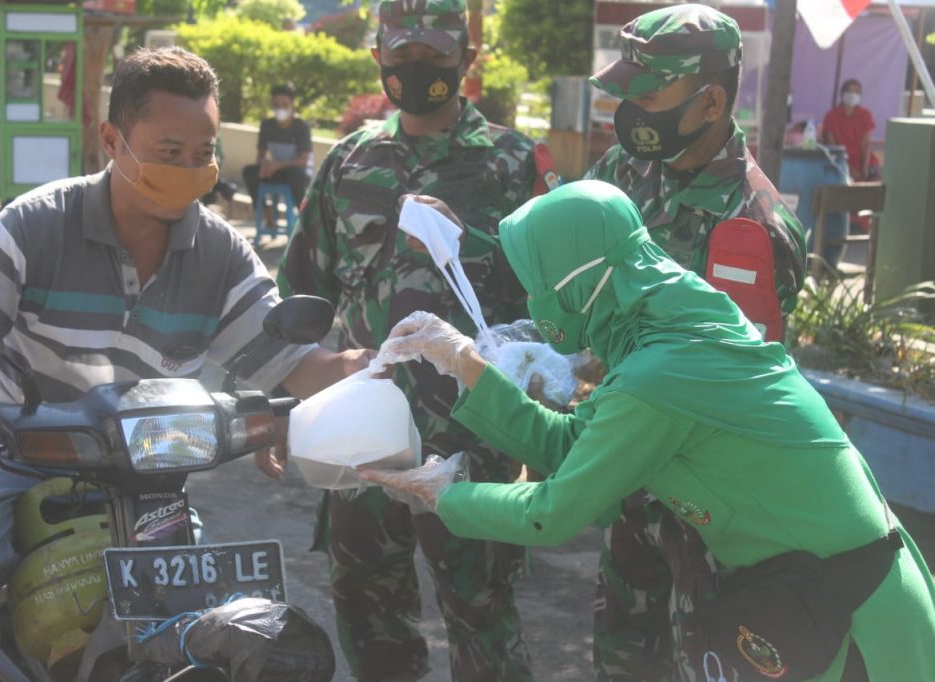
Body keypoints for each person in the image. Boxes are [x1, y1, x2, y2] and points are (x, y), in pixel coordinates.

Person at [0, 47, 370, 682]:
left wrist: (372, 367)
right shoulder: (34, 225)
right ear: (112, 140)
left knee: (205, 608)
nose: (189, 170)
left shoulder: (220, 254)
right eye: (168, 151)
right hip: (10, 451)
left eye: (203, 153)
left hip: (148, 471)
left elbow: (298, 364)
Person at [363, 180, 935, 682]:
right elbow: (573, 446)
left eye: (538, 282)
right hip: (814, 594)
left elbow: (551, 512)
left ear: (579, 281)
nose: (534, 302)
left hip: (852, 616)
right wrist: (465, 362)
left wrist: (445, 495)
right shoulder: (675, 319)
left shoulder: (663, 372)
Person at [277, 1, 558, 679]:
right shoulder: (350, 161)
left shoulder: (512, 161)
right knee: (366, 606)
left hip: (473, 431)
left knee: (481, 608)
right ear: (378, 57)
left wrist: (471, 239)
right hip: (361, 429)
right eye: (401, 57)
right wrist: (286, 398)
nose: (416, 69)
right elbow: (301, 289)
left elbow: (555, 297)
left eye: (433, 57)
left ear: (466, 59)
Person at [583, 5, 808, 677]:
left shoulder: (755, 229)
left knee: (699, 662)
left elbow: (729, 394)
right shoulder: (626, 173)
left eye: (648, 94)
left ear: (710, 101)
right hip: (630, 482)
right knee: (621, 658)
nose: (631, 111)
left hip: (709, 510)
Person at [241, 82, 312, 213]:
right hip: (275, 171)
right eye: (276, 105)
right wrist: (265, 165)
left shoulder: (302, 127)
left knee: (296, 175)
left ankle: (304, 216)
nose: (280, 109)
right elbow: (261, 155)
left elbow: (303, 161)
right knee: (249, 172)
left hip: (298, 174)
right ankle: (265, 213)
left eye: (285, 104)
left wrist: (277, 165)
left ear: (292, 105)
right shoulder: (267, 126)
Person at [823, 79, 880, 181]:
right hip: (841, 160)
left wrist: (864, 168)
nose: (852, 94)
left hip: (864, 160)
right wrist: (847, 168)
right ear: (842, 93)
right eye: (849, 91)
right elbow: (832, 146)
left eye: (856, 92)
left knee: (877, 179)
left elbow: (866, 144)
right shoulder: (831, 116)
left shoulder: (865, 115)